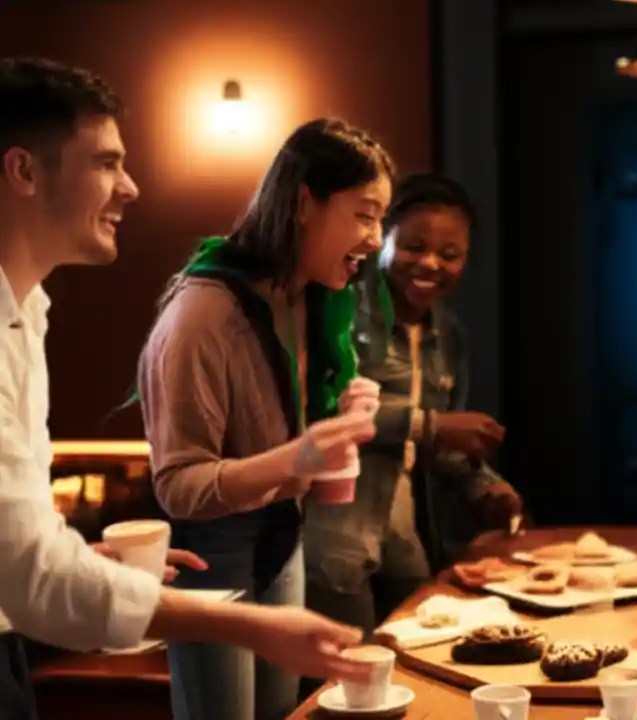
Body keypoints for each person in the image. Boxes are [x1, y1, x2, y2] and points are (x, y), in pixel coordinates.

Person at [0, 57, 372, 720]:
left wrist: (79, 555)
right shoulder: (204, 306)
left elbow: (23, 560)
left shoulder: (29, 311)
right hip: (213, 558)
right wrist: (245, 624)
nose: (132, 188)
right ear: (23, 170)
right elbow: (34, 574)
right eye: (107, 163)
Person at [137, 117, 392, 720]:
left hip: (282, 531)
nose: (376, 237)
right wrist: (299, 456)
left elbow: (293, 434)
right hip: (210, 550)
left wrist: (341, 412)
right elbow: (178, 488)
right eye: (363, 213)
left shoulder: (310, 299)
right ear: (305, 202)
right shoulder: (203, 312)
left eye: (380, 217)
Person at [305, 172, 520, 634]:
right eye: (413, 246)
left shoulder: (450, 334)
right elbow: (323, 411)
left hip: (406, 538)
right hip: (334, 539)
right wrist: (432, 424)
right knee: (347, 682)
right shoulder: (339, 310)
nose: (430, 264)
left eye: (450, 254)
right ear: (383, 239)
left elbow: (443, 446)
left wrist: (485, 487)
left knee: (415, 664)